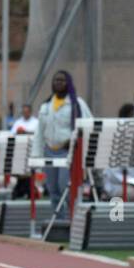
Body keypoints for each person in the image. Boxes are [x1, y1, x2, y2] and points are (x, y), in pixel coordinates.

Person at [32, 70, 92, 215]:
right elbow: (39, 132)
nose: (58, 83)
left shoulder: (77, 103)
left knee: (65, 186)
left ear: (68, 83)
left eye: (61, 80)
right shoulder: (46, 106)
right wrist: (36, 157)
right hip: (49, 151)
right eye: (55, 80)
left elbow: (88, 125)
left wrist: (74, 142)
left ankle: (73, 220)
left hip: (68, 152)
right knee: (52, 189)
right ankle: (59, 221)